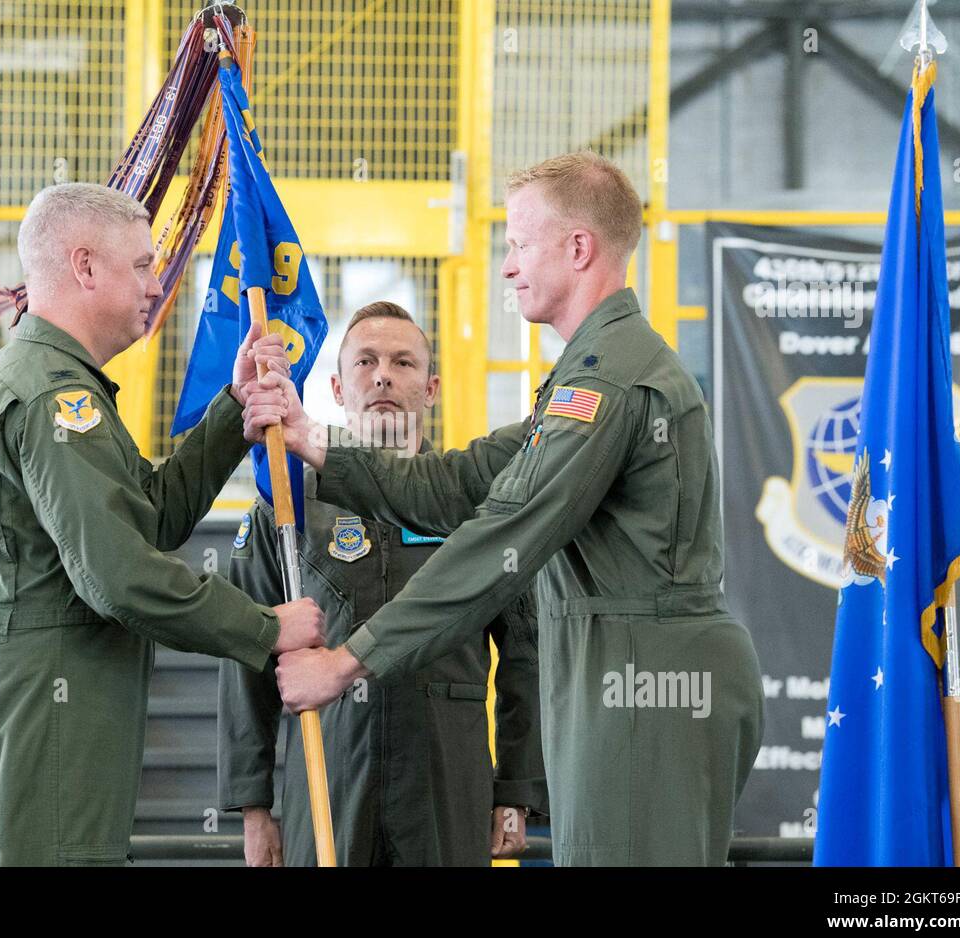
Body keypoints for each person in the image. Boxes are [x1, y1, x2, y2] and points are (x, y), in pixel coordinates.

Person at [245, 152, 766, 867]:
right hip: (621, 673)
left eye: (519, 244)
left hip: (646, 682)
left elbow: (498, 541)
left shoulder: (607, 383)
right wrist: (318, 446)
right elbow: (467, 479)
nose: (507, 266)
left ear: (578, 249)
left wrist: (345, 662)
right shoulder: (591, 374)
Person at [0, 182, 325, 866]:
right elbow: (117, 573)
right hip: (41, 704)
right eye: (142, 265)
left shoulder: (57, 382)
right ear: (84, 267)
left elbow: (147, 517)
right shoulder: (56, 396)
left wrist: (234, 413)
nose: (154, 283)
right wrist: (265, 629)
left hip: (39, 696)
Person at [219, 302, 547, 867]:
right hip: (329, 773)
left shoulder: (477, 508)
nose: (383, 375)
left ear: (432, 387)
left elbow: (526, 654)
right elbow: (245, 653)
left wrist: (515, 789)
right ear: (338, 388)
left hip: (446, 777)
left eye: (403, 362)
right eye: (365, 362)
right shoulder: (288, 507)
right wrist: (253, 808)